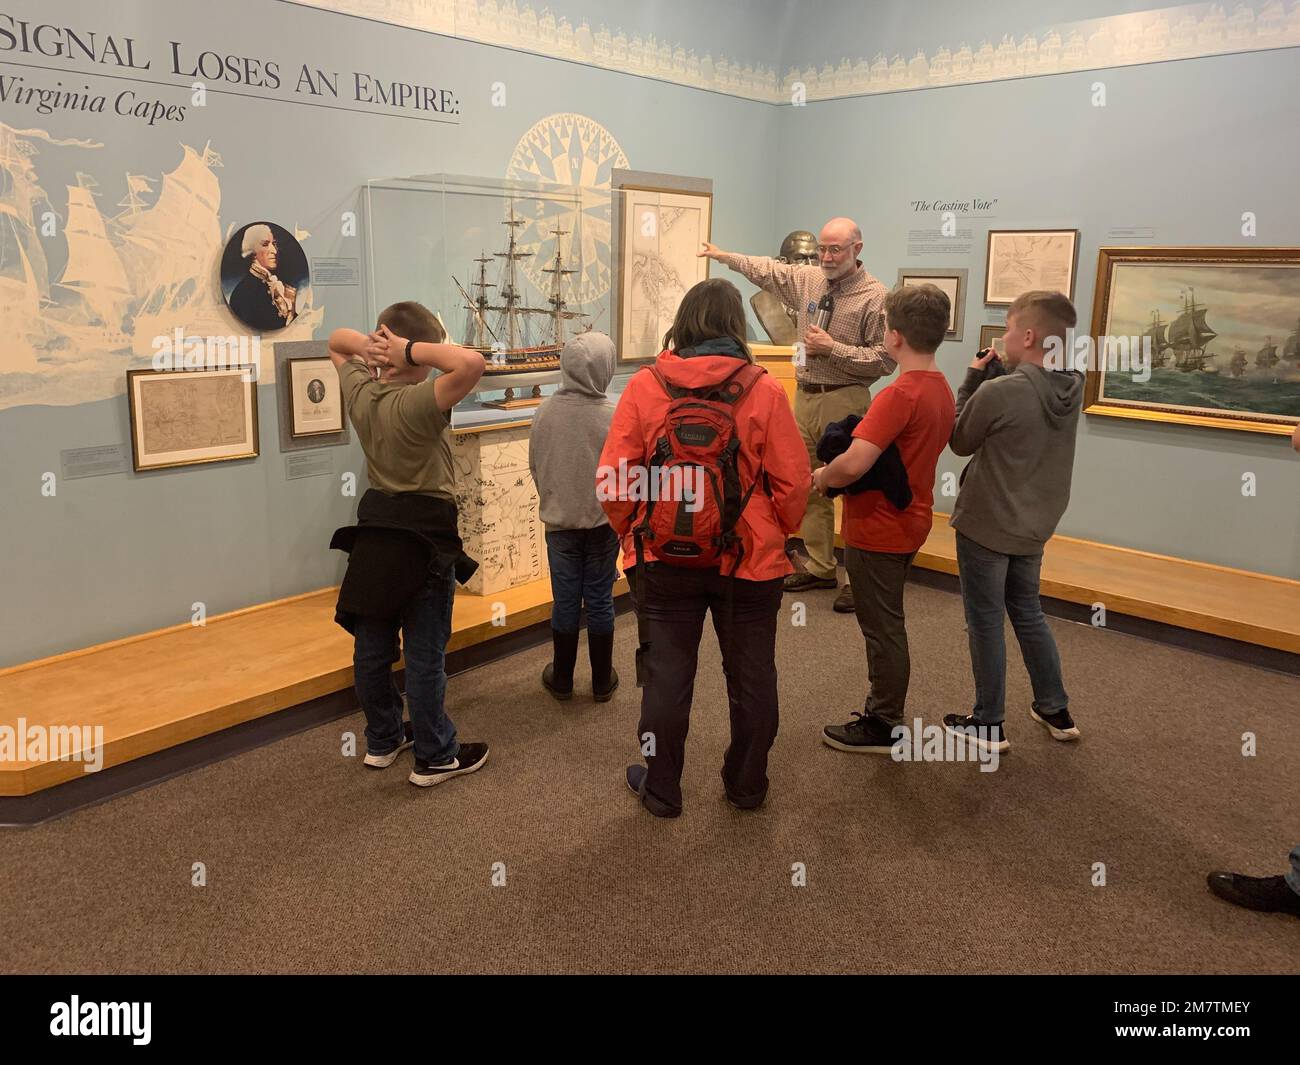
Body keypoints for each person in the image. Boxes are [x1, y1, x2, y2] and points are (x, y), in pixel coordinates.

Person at [599, 278, 810, 817]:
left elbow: (615, 481)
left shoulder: (645, 386)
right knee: (753, 677)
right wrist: (777, 534)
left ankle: (664, 788)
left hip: (663, 557)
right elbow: (792, 483)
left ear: (683, 321)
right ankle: (746, 785)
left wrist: (634, 532)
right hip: (750, 561)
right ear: (736, 326)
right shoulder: (764, 389)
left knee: (665, 680)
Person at [326, 301, 490, 787]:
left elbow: (336, 341)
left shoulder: (361, 392)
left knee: (373, 644)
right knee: (424, 653)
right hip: (424, 537)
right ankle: (436, 754)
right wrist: (407, 350)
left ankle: (382, 738)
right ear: (419, 357)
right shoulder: (423, 400)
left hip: (376, 533)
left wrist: (376, 348)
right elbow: (472, 362)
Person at [701, 217, 892, 615]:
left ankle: (858, 581)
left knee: (855, 491)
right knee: (811, 486)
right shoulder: (808, 280)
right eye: (823, 248)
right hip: (804, 397)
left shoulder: (877, 298)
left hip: (847, 400)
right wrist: (723, 257)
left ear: (857, 249)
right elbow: (766, 269)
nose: (826, 257)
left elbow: (884, 360)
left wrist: (832, 348)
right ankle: (822, 567)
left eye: (834, 249)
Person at [813, 285, 956, 753]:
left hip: (881, 526)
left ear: (893, 337)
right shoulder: (940, 388)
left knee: (882, 627)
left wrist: (821, 477)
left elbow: (854, 464)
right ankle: (885, 714)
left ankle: (884, 721)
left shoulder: (899, 394)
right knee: (886, 620)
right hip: (911, 517)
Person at [944, 290, 1084, 753]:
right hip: (1035, 523)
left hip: (987, 521)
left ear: (1027, 335)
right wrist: (1001, 375)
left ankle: (987, 722)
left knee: (984, 620)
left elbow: (961, 440)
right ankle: (1054, 707)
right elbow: (1029, 405)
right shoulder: (1074, 385)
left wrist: (971, 381)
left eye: (1006, 329)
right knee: (1027, 611)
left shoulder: (999, 390)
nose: (1002, 337)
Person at [529, 331, 621, 703]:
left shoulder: (544, 413)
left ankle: (562, 678)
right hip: (602, 526)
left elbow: (536, 466)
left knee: (565, 601)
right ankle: (601, 680)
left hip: (560, 527)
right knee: (600, 599)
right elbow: (625, 474)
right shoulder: (614, 416)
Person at [229, 223, 298, 331]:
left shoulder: (278, 284)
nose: (274, 251)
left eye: (274, 244)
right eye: (265, 244)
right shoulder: (243, 292)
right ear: (252, 251)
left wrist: (291, 309)